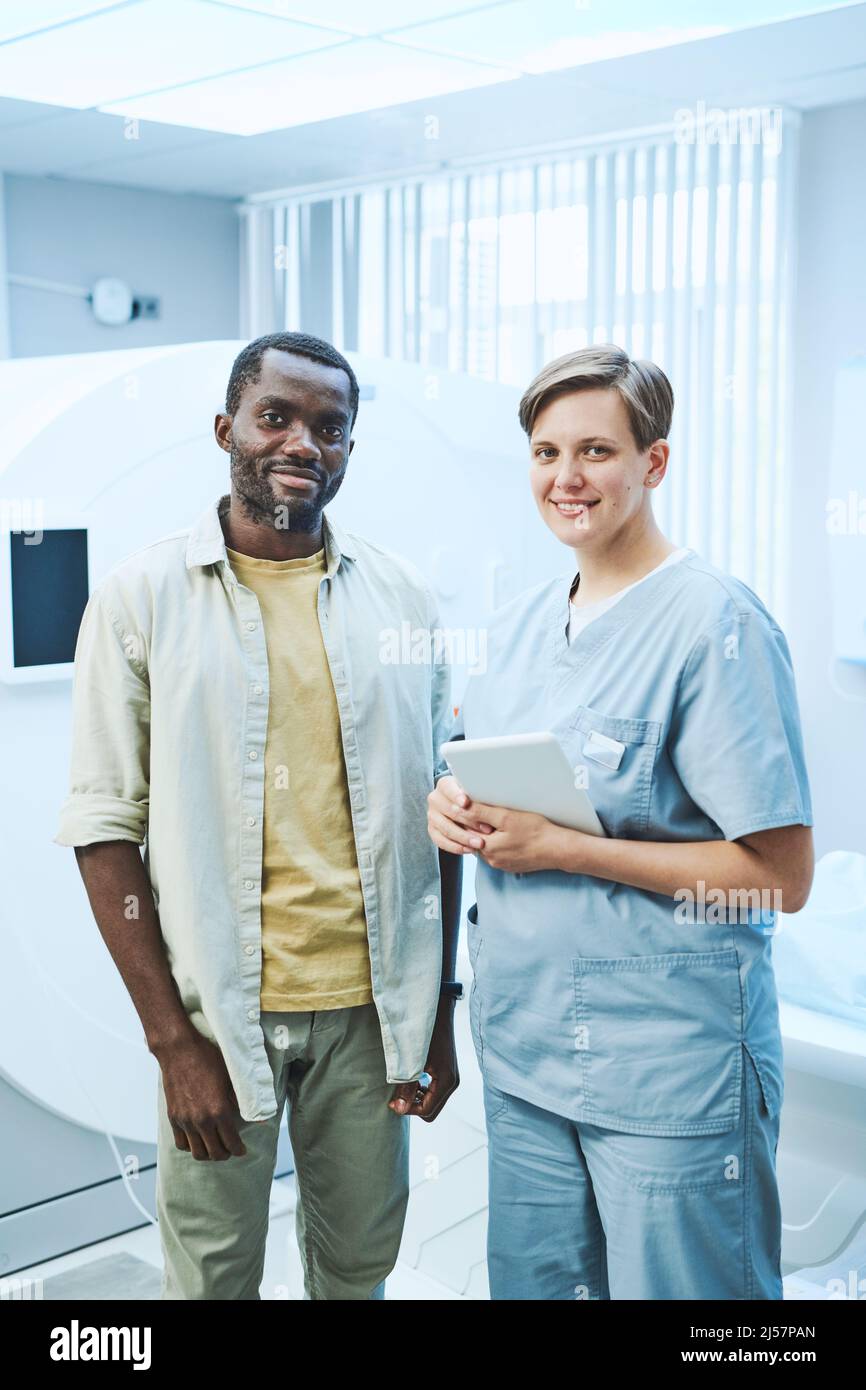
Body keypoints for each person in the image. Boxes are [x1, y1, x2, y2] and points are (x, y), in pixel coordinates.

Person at [55, 331, 462, 1300]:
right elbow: (103, 828)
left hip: (370, 1013)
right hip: (217, 1015)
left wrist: (439, 1014)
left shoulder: (400, 599)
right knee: (215, 1274)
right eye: (274, 415)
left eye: (329, 426)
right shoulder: (140, 598)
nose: (300, 442)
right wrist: (172, 1045)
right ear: (225, 428)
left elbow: (445, 817)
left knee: (359, 1264)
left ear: (349, 450)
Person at [427, 343, 814, 1301]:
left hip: (665, 1069)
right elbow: (488, 776)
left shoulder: (715, 626)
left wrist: (565, 848)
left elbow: (780, 879)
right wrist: (452, 809)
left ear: (655, 462)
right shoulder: (518, 625)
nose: (567, 478)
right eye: (545, 452)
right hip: (525, 1053)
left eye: (597, 450)